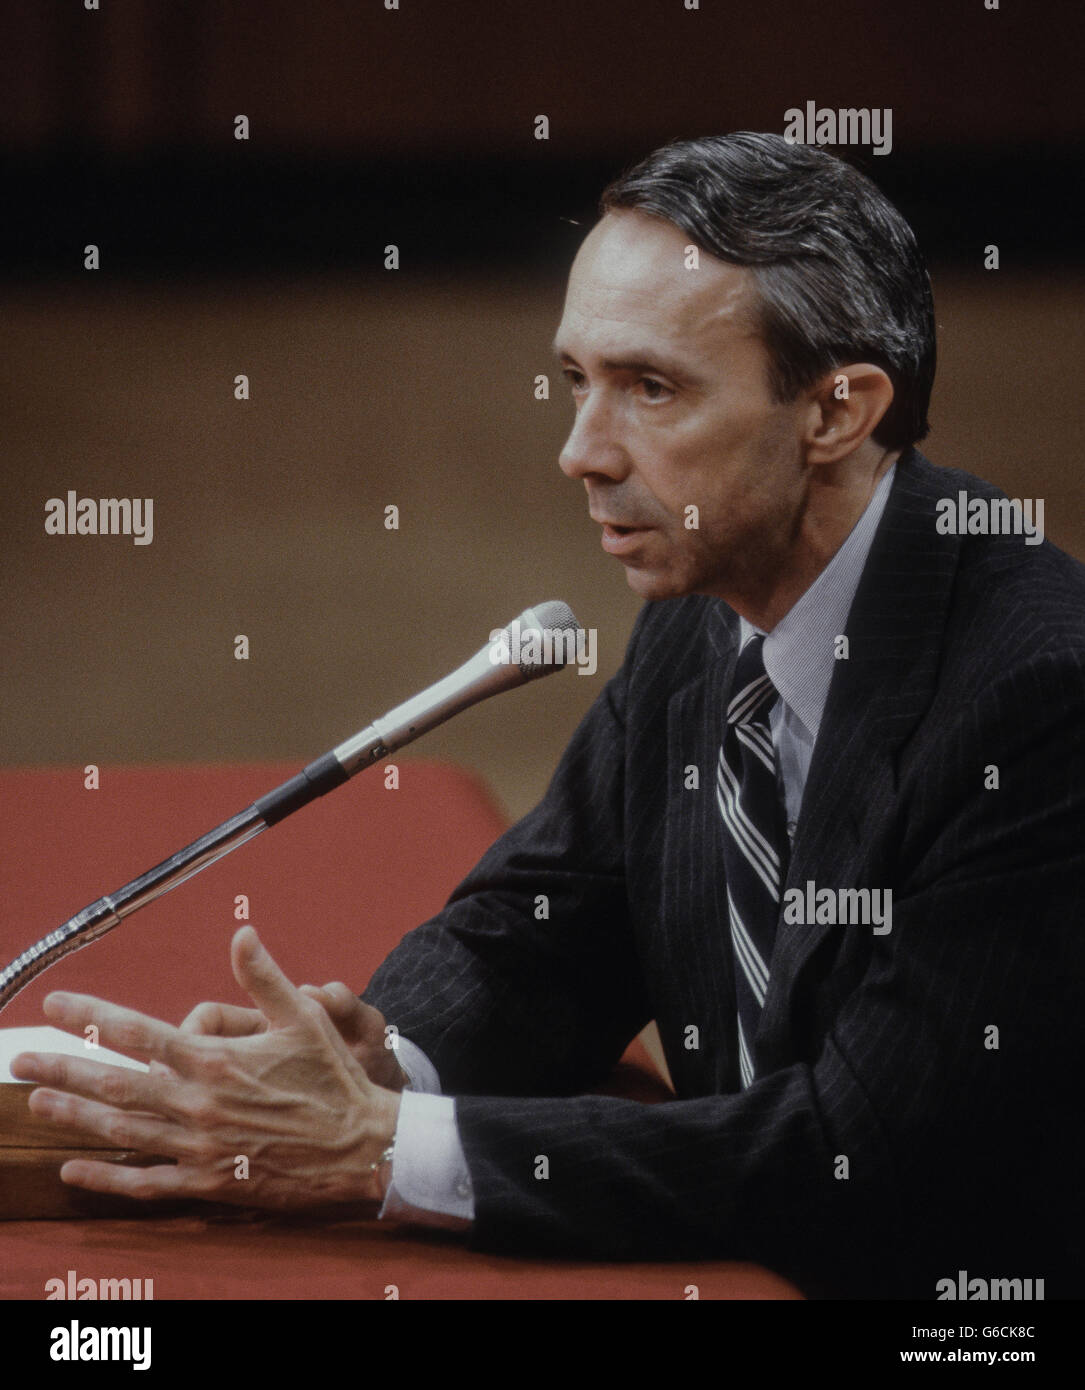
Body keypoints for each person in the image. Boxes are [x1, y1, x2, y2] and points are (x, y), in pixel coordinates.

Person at [14, 133, 1085, 1299]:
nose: (579, 451)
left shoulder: (1033, 699)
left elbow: (858, 1154)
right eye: (577, 380)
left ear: (835, 410)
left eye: (650, 388)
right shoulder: (707, 598)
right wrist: (384, 1065)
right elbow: (547, 928)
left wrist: (372, 1148)